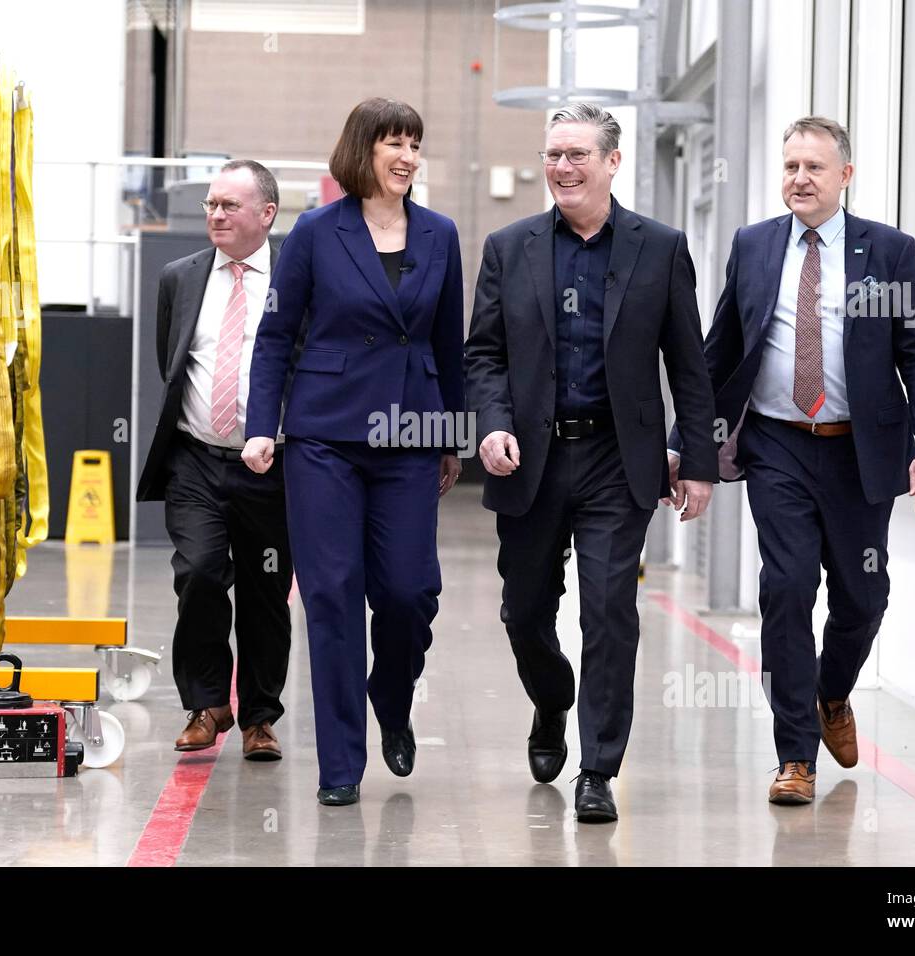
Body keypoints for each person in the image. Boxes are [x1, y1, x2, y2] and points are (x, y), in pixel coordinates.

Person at [668, 117, 915, 805]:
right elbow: (719, 349)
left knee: (863, 596)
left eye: (814, 168)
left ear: (844, 176)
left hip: (860, 452)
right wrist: (688, 441)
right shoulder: (755, 245)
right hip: (778, 447)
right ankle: (794, 757)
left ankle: (833, 694)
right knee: (787, 587)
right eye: (790, 165)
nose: (799, 178)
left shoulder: (889, 252)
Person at [465, 103, 718, 823]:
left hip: (619, 459)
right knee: (525, 612)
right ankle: (551, 700)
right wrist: (490, 426)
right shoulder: (509, 247)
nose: (562, 168)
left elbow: (689, 366)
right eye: (552, 155)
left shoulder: (660, 249)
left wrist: (696, 460)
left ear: (613, 162)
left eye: (577, 155)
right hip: (531, 462)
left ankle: (598, 767)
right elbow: (483, 353)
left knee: (610, 611)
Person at [243, 97, 465, 807]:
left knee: (407, 590)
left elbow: (447, 345)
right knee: (332, 597)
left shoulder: (440, 234)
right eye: (394, 143)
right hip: (325, 438)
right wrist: (259, 424)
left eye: (415, 144)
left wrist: (453, 433)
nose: (407, 156)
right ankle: (341, 765)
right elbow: (277, 335)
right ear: (362, 150)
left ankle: (391, 695)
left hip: (410, 436)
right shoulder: (314, 233)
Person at [136, 160, 292, 761]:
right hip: (196, 460)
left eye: (230, 205)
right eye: (211, 205)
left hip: (270, 466)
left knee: (266, 591)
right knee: (198, 573)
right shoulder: (180, 277)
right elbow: (170, 363)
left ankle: (259, 717)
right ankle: (207, 704)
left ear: (267, 214)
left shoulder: (292, 280)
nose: (217, 215)